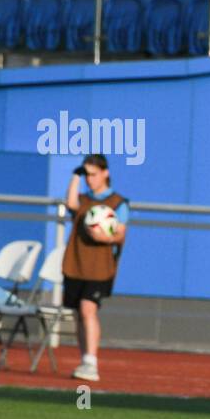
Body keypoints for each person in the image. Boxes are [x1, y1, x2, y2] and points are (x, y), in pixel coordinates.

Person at [62, 154, 129, 382]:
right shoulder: (83, 199)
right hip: (76, 264)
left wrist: (105, 237)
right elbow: (70, 204)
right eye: (86, 175)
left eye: (93, 174)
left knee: (88, 309)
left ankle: (91, 361)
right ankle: (84, 359)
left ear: (105, 173)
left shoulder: (117, 202)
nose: (89, 179)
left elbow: (120, 235)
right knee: (78, 314)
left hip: (100, 267)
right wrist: (75, 176)